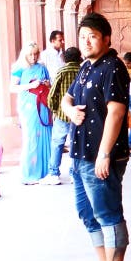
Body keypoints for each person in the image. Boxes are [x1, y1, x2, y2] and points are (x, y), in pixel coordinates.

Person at [62, 13, 130, 261]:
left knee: (108, 215)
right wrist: (70, 111)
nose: (86, 42)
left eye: (92, 36)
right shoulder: (85, 67)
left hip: (100, 157)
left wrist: (104, 154)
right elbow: (66, 99)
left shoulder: (112, 67)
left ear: (106, 38)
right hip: (80, 156)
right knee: (88, 215)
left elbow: (116, 112)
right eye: (82, 37)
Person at [10, 42, 52, 184]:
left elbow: (50, 85)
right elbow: (12, 88)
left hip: (42, 105)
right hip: (28, 107)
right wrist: (30, 85)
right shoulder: (19, 68)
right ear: (25, 55)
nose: (33, 57)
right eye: (30, 54)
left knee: (45, 137)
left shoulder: (41, 67)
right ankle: (29, 174)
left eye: (36, 54)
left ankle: (46, 172)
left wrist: (46, 84)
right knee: (31, 139)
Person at [41, 46, 83, 185]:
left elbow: (52, 94)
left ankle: (54, 174)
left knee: (57, 144)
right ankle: (73, 173)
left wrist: (54, 110)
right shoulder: (83, 71)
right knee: (75, 143)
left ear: (64, 58)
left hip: (62, 114)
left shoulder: (62, 71)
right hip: (79, 114)